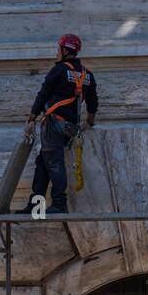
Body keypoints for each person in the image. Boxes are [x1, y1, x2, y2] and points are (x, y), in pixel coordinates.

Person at [22, 33, 98, 214]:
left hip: (54, 124)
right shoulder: (87, 75)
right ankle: (36, 205)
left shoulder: (59, 70)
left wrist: (32, 118)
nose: (57, 53)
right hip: (70, 128)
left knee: (53, 162)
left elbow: (43, 94)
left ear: (65, 50)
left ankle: (59, 203)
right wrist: (90, 121)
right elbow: (93, 102)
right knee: (43, 162)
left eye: (58, 49)